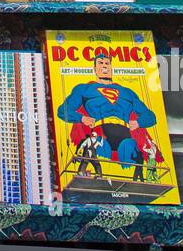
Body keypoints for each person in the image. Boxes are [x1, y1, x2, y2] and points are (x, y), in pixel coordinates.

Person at [56, 49, 156, 180]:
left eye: (107, 63)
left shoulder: (127, 92)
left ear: (111, 67)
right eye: (100, 63)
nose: (104, 66)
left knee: (135, 152)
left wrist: (138, 122)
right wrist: (82, 118)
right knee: (91, 148)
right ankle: (85, 174)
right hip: (100, 132)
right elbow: (62, 110)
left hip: (124, 133)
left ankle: (141, 181)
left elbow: (151, 116)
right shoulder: (84, 89)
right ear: (95, 68)